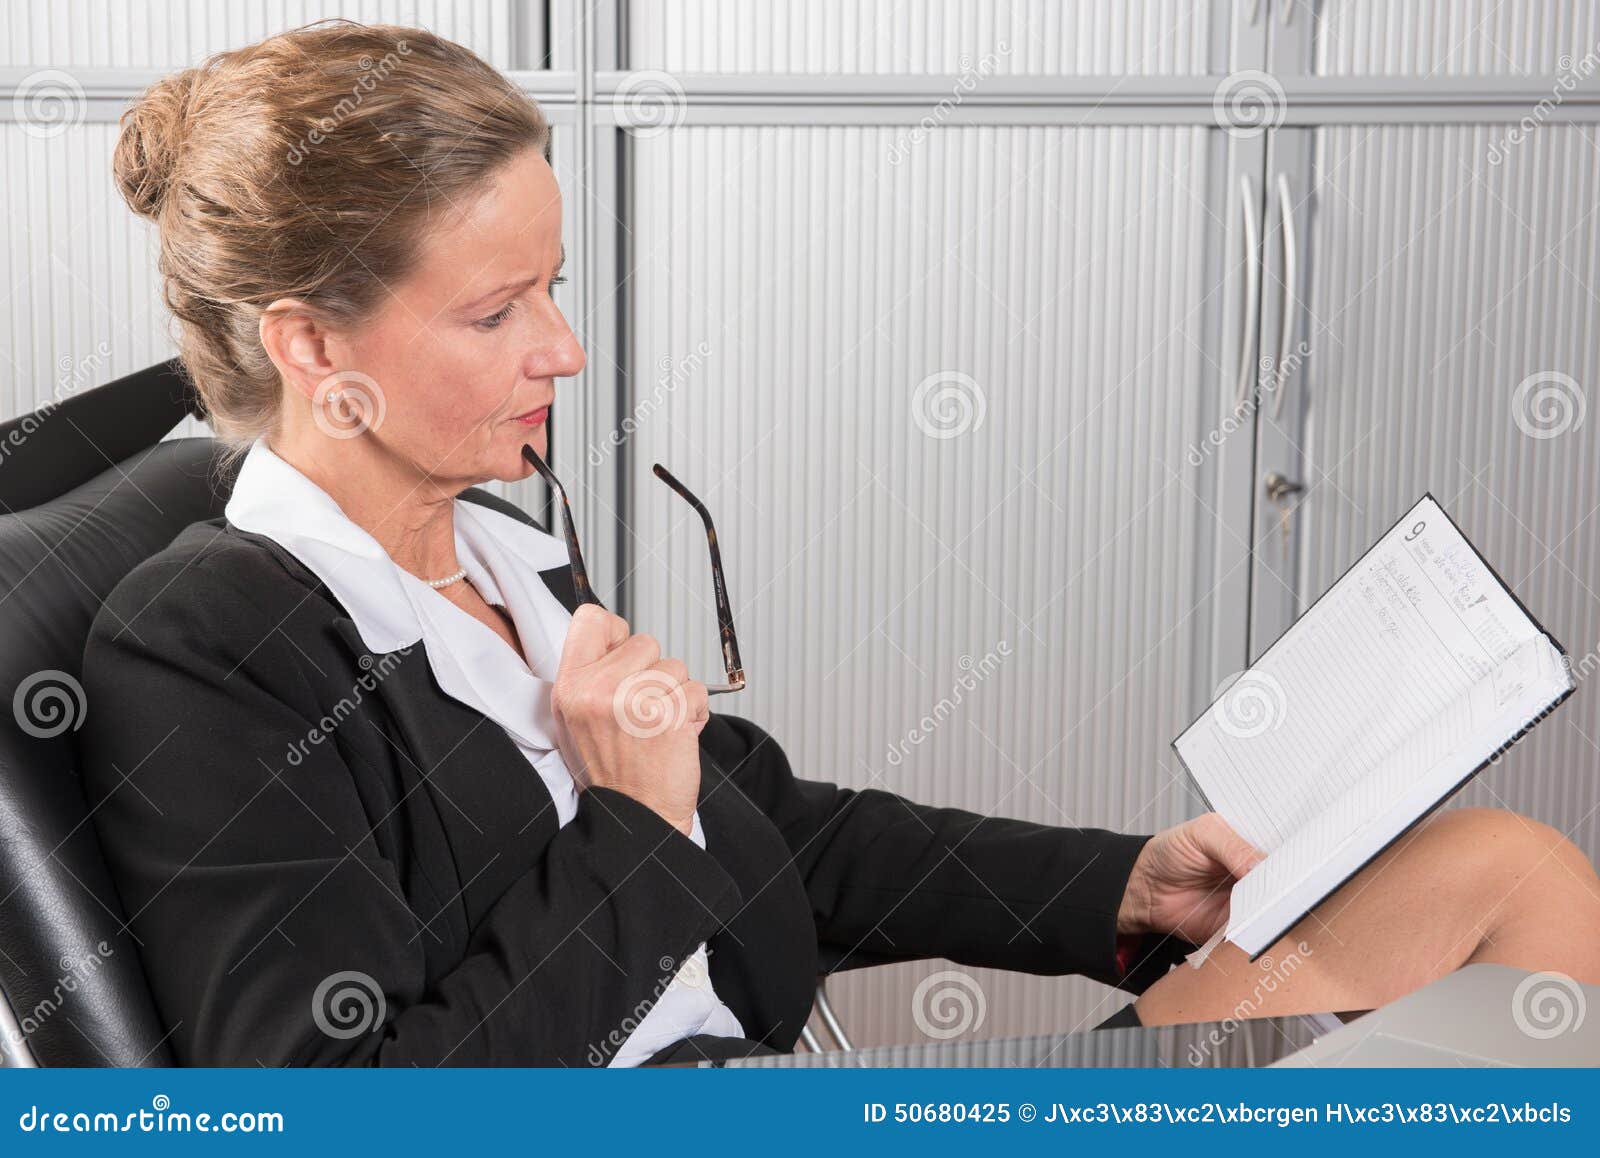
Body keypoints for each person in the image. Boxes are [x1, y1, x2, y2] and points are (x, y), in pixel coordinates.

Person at [78, 20, 1600, 1067]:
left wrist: (1120, 888)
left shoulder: (501, 550)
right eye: (498, 311)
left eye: (553, 285)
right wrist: (628, 822)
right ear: (307, 342)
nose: (568, 349)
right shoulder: (212, 646)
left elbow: (773, 830)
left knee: (1500, 871)